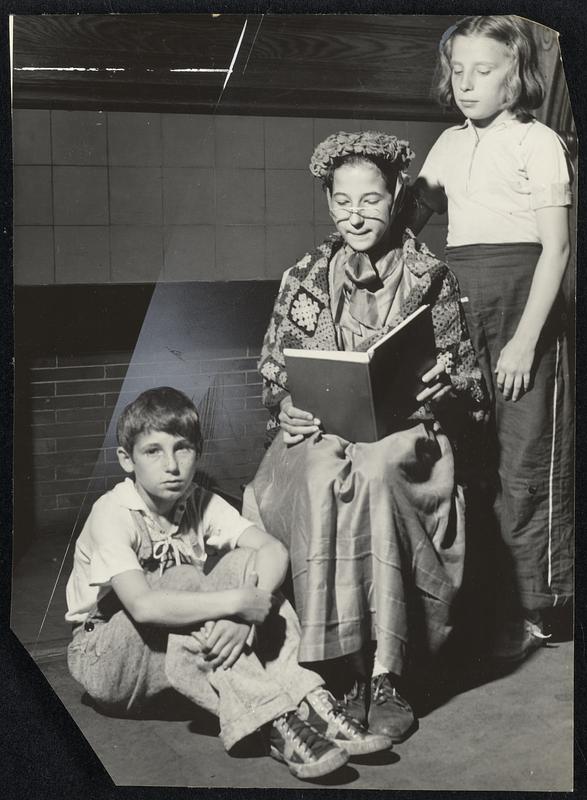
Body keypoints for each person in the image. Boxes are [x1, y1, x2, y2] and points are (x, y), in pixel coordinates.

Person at [242, 131, 487, 744]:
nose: (356, 215)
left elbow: (472, 381)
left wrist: (445, 386)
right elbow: (274, 370)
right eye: (343, 201)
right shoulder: (303, 277)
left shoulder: (433, 279)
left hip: (407, 434)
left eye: (371, 201)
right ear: (328, 201)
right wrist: (290, 405)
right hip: (322, 431)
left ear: (396, 194)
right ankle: (340, 668)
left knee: (376, 474)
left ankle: (386, 673)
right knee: (325, 473)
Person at [65, 386, 393, 783]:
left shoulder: (197, 501)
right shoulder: (114, 511)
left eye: (182, 448)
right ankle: (272, 717)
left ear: (197, 452)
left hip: (165, 649)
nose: (172, 465)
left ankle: (311, 702)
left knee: (245, 562)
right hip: (105, 656)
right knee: (185, 580)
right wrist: (239, 602)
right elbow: (143, 606)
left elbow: (273, 551)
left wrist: (244, 618)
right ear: (127, 459)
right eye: (153, 451)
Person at [410, 15, 574, 660]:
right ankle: (479, 598)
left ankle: (542, 604)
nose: (467, 84)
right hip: (459, 303)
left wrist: (523, 342)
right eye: (458, 71)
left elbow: (556, 250)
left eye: (485, 71)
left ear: (517, 78)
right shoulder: (448, 144)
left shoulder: (539, 144)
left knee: (527, 457)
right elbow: (409, 221)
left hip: (524, 305)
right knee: (466, 454)